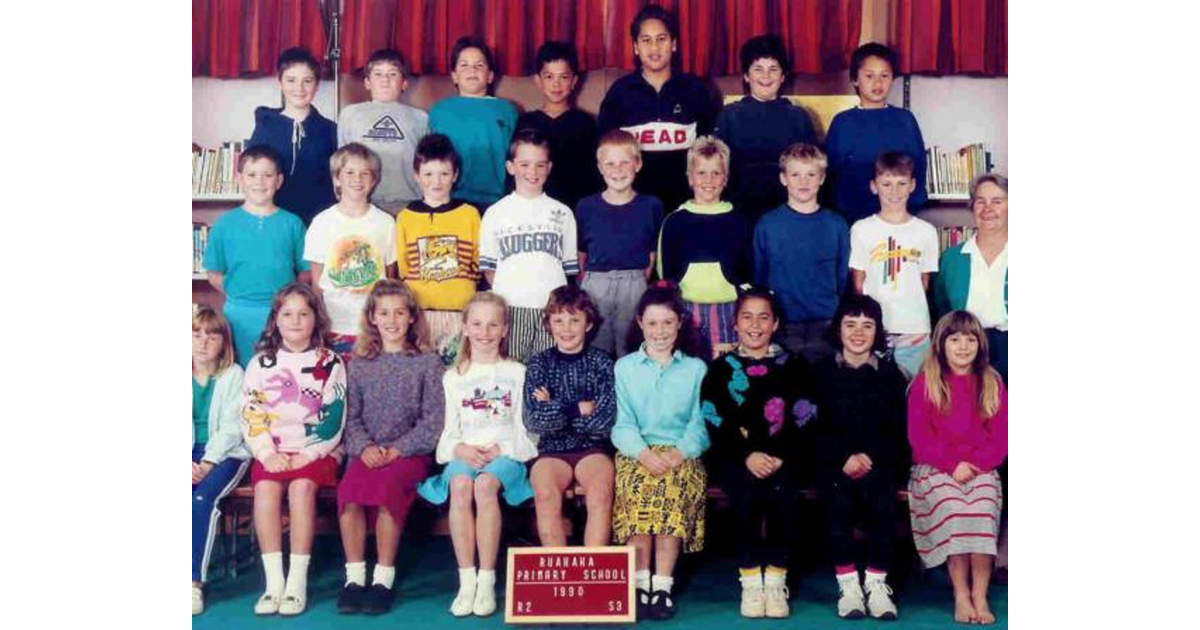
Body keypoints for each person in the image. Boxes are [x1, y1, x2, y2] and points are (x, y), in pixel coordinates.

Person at [417, 292, 537, 618]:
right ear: (465, 328)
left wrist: (503, 449)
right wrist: (460, 449)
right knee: (459, 485)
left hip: (506, 454)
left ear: (505, 329)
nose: (485, 332)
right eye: (478, 324)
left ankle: (486, 579)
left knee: (484, 486)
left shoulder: (517, 372)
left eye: (493, 325)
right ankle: (466, 580)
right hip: (465, 451)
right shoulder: (454, 377)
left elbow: (528, 431)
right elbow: (448, 433)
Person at [700, 288, 817, 619]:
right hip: (736, 457)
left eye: (763, 318)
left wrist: (780, 455)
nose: (755, 325)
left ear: (775, 323)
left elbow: (806, 413)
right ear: (735, 323)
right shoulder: (721, 369)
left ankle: (777, 578)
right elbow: (713, 417)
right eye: (747, 317)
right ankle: (751, 580)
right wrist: (746, 456)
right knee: (746, 494)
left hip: (784, 456)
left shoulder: (794, 366)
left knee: (783, 493)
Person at [335, 280, 444, 615]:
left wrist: (398, 449)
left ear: (411, 317)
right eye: (384, 313)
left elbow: (433, 421)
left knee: (386, 493)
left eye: (399, 312)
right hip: (366, 451)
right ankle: (354, 579)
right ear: (372, 317)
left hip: (409, 453)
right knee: (349, 494)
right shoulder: (359, 363)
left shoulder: (427, 362)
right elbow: (350, 417)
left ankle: (382, 579)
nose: (392, 320)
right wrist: (364, 447)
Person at [240, 283, 346, 617]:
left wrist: (309, 454)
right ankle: (274, 583)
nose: (295, 321)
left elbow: (334, 417)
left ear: (316, 318)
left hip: (317, 450)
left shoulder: (330, 362)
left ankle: (297, 582)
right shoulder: (261, 364)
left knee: (301, 489)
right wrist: (265, 453)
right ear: (275, 320)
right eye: (287, 314)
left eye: (303, 313)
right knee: (266, 491)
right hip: (272, 450)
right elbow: (251, 413)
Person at [611, 282, 710, 620]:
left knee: (670, 492)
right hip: (636, 452)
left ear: (680, 323)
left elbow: (700, 423)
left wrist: (678, 454)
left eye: (668, 322)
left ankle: (663, 586)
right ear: (640, 322)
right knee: (637, 492)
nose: (660, 331)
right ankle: (641, 584)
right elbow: (622, 424)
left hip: (681, 454)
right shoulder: (624, 368)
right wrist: (643, 454)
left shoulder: (696, 369)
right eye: (652, 323)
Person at [810, 293, 909, 620]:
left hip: (877, 461)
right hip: (833, 462)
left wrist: (870, 456)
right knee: (836, 501)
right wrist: (842, 457)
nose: (858, 332)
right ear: (838, 329)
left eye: (867, 325)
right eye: (850, 324)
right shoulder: (819, 372)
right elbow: (809, 423)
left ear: (878, 331)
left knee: (882, 501)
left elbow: (898, 428)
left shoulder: (891, 375)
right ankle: (849, 584)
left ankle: (877, 584)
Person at [907, 310, 1007, 625]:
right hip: (935, 467)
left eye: (970, 340)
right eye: (954, 339)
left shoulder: (992, 382)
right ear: (941, 344)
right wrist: (952, 465)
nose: (963, 347)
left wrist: (974, 465)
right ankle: (961, 594)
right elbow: (919, 437)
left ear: (980, 345)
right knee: (955, 509)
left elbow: (1001, 439)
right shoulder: (925, 383)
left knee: (981, 507)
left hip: (980, 468)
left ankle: (980, 594)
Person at [597, 4, 718, 212]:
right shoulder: (620, 93)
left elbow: (711, 149)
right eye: (646, 40)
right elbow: (605, 152)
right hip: (634, 205)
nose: (654, 47)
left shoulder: (695, 90)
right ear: (636, 47)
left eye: (661, 39)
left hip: (687, 202)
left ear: (673, 44)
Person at [523, 286, 617, 547]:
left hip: (594, 448)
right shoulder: (539, 363)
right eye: (558, 320)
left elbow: (605, 420)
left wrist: (553, 406)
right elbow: (534, 420)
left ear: (588, 324)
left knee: (600, 493)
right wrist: (579, 408)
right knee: (545, 494)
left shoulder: (602, 362)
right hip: (551, 451)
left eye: (575, 320)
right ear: (548, 324)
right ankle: (558, 564)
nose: (566, 328)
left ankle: (594, 565)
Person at [479, 128, 579, 362]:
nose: (532, 172)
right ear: (510, 167)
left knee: (549, 369)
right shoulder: (495, 213)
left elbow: (568, 269)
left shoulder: (562, 212)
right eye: (524, 164)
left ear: (549, 167)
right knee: (512, 368)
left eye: (540, 165)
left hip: (552, 310)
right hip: (511, 308)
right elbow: (489, 270)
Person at [203, 146, 308, 366]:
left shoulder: (292, 223)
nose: (259, 182)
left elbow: (305, 273)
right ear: (239, 178)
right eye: (251, 175)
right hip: (238, 315)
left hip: (283, 315)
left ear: (278, 181)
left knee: (281, 373)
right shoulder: (224, 224)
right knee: (239, 373)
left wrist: (286, 301)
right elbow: (214, 273)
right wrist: (239, 292)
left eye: (267, 175)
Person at [656, 136, 752, 359]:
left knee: (728, 368)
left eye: (716, 173)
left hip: (729, 309)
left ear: (725, 178)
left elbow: (749, 268)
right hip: (687, 308)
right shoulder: (674, 221)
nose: (709, 179)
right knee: (688, 366)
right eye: (701, 173)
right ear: (690, 177)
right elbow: (665, 271)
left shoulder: (738, 221)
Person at [753, 143, 849, 363]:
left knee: (823, 380)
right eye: (795, 174)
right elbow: (759, 275)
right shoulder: (767, 225)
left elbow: (842, 277)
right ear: (783, 178)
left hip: (826, 322)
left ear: (822, 178)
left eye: (811, 174)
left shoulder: (836, 224)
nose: (803, 181)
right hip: (783, 323)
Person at [304, 143, 399, 361]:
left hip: (374, 327)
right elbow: (317, 283)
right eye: (350, 173)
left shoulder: (386, 223)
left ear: (374, 180)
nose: (358, 179)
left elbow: (390, 277)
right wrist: (320, 323)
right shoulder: (322, 223)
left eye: (365, 173)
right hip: (333, 325)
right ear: (337, 178)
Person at [849, 151, 939, 378]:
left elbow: (924, 283)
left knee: (914, 389)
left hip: (915, 328)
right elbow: (858, 284)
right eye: (886, 184)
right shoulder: (862, 229)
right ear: (874, 186)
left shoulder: (926, 231)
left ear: (912, 185)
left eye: (901, 183)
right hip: (875, 328)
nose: (894, 192)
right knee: (875, 389)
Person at [576, 130, 664, 357]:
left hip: (634, 282)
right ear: (600, 167)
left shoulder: (651, 206)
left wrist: (637, 281)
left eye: (624, 162)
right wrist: (590, 282)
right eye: (610, 164)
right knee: (595, 349)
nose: (618, 170)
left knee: (632, 348)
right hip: (596, 284)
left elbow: (652, 254)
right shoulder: (586, 207)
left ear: (638, 164)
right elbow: (581, 253)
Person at [396, 133, 482, 364]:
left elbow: (477, 262)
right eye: (428, 174)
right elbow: (404, 267)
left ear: (455, 175)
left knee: (458, 372)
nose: (437, 181)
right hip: (419, 314)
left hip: (459, 314)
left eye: (444, 174)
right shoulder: (406, 217)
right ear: (416, 175)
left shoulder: (469, 215)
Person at [714, 34, 817, 220]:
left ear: (783, 76)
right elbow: (717, 169)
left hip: (789, 212)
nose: (766, 76)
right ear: (746, 75)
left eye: (773, 69)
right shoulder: (729, 116)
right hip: (739, 210)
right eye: (758, 69)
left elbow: (813, 171)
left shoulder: (798, 117)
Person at [824, 42, 927, 225]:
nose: (878, 83)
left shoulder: (905, 119)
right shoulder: (842, 122)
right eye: (869, 76)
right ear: (855, 79)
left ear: (892, 78)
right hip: (852, 218)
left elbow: (919, 167)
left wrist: (909, 213)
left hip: (899, 216)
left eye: (884, 76)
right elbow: (830, 175)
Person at [191, 306, 250, 616]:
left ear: (224, 343)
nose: (203, 343)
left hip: (226, 454)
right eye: (196, 335)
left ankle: (193, 582)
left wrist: (207, 463)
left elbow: (232, 427)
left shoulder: (233, 375)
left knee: (201, 498)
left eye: (211, 337)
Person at [247, 47, 338, 226]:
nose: (299, 88)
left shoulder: (330, 130)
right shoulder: (266, 126)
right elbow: (253, 175)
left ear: (317, 84)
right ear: (280, 82)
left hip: (319, 222)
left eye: (307, 81)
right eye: (291, 80)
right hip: (275, 220)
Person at [933, 173, 1008, 383]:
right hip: (965, 349)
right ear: (972, 207)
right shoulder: (951, 258)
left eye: (997, 201)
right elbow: (941, 309)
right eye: (980, 201)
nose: (987, 209)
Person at [429, 37, 518, 209]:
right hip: (449, 199)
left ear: (490, 76)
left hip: (497, 201)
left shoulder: (506, 110)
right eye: (464, 65)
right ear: (454, 76)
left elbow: (517, 156)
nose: (472, 70)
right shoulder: (440, 110)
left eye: (479, 65)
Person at [337, 48, 429, 214]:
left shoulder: (420, 118)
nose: (385, 80)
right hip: (363, 203)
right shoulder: (350, 114)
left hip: (408, 204)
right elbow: (341, 163)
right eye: (378, 74)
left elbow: (426, 165)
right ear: (367, 82)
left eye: (392, 74)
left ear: (404, 83)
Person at [515, 41, 601, 210]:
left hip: (576, 205)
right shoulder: (526, 122)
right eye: (549, 77)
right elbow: (516, 169)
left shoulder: (586, 123)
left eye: (563, 77)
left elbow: (596, 173)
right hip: (534, 206)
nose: (556, 84)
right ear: (538, 80)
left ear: (574, 81)